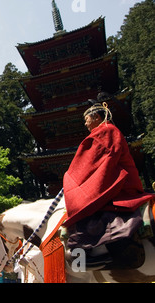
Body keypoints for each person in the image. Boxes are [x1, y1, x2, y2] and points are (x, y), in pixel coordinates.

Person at [63, 103, 154, 267]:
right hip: (118, 178)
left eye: (86, 119)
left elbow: (90, 163)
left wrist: (73, 177)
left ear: (96, 117)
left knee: (85, 208)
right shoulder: (108, 131)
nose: (85, 124)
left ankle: (86, 259)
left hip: (120, 184)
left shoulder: (106, 131)